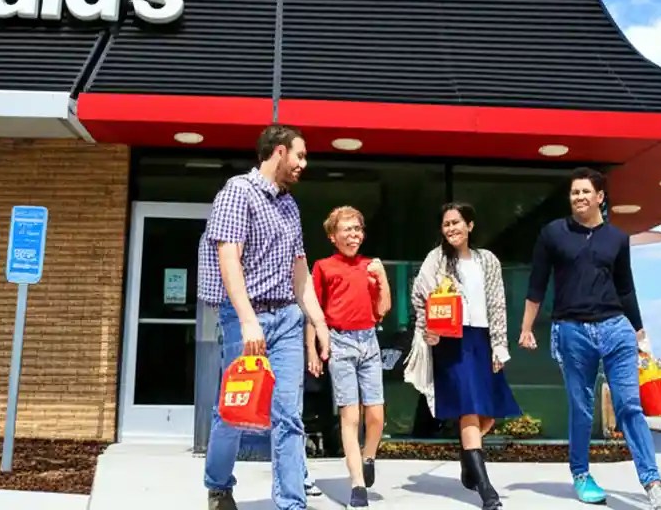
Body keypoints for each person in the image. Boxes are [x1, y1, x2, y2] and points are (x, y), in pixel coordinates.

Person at [519, 167, 661, 510]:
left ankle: (654, 485)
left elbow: (626, 288)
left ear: (600, 197)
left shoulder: (617, 238)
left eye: (585, 192)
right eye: (574, 192)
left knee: (629, 406)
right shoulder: (553, 233)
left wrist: (640, 333)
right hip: (571, 330)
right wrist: (525, 327)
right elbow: (537, 283)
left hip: (616, 329)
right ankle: (581, 474)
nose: (578, 197)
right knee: (581, 409)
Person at [198, 124, 332, 510]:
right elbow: (229, 258)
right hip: (246, 316)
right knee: (234, 411)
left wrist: (319, 322)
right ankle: (218, 484)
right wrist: (247, 319)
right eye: (300, 155)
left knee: (289, 416)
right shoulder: (237, 192)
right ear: (278, 151)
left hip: (288, 319)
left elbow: (299, 270)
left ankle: (291, 503)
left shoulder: (290, 206)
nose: (303, 164)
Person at [409, 202, 520, 510]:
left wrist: (499, 345)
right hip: (451, 342)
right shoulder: (437, 259)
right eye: (446, 224)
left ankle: (466, 455)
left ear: (470, 225)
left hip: (482, 339)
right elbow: (420, 295)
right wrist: (426, 330)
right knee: (469, 408)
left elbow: (498, 304)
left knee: (490, 411)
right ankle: (486, 490)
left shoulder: (488, 261)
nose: (451, 229)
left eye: (456, 222)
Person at [305, 206, 391, 509]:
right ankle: (357, 484)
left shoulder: (370, 265)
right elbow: (312, 314)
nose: (354, 234)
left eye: (358, 229)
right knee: (350, 416)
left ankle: (368, 457)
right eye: (347, 229)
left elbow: (383, 308)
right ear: (333, 236)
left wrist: (382, 277)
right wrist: (312, 349)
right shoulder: (324, 267)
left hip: (369, 340)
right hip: (339, 342)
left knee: (376, 415)